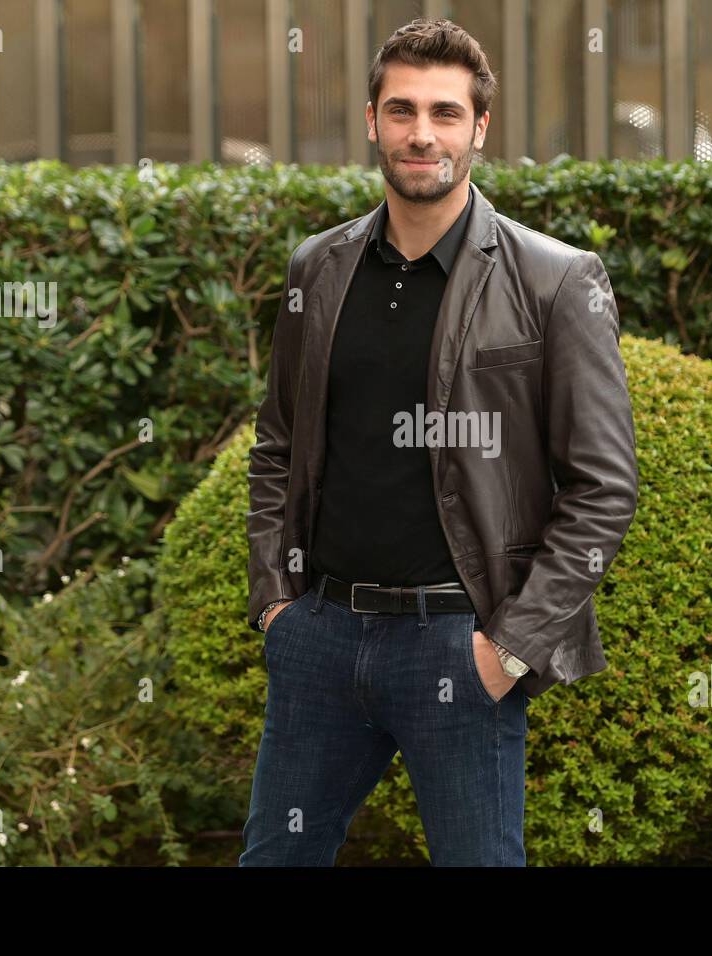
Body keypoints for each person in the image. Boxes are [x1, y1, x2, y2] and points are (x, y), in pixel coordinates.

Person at [240, 17, 638, 866]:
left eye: (446, 113)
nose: (423, 133)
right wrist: (279, 603)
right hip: (321, 636)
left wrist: (510, 648)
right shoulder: (318, 268)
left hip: (458, 648)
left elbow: (603, 488)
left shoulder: (555, 279)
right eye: (403, 110)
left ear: (480, 128)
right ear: (373, 120)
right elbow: (278, 443)